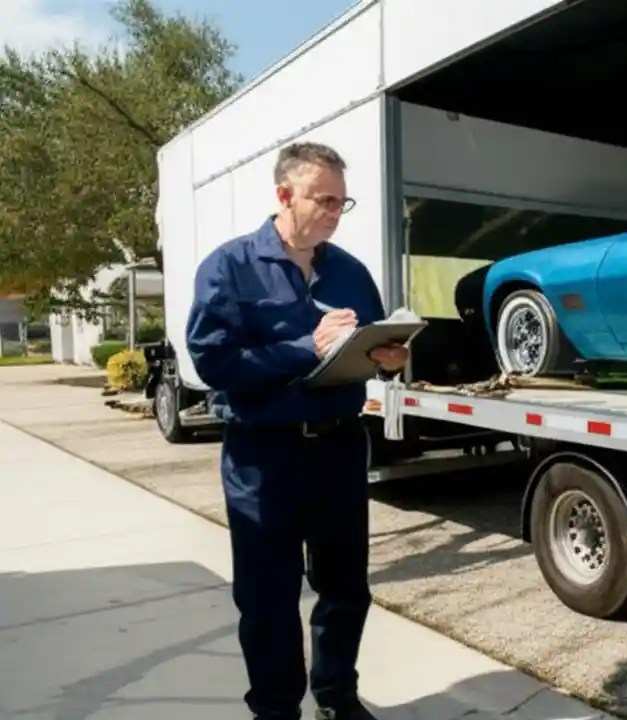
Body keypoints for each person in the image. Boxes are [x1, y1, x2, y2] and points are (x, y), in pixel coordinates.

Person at [186, 141, 408, 720]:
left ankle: (336, 698)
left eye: (342, 202)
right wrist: (305, 346)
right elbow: (214, 364)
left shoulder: (350, 272)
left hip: (338, 446)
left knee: (344, 588)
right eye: (324, 200)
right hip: (264, 456)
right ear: (284, 194)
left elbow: (368, 342)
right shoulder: (229, 267)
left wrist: (386, 357)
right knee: (268, 597)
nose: (334, 213)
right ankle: (276, 709)